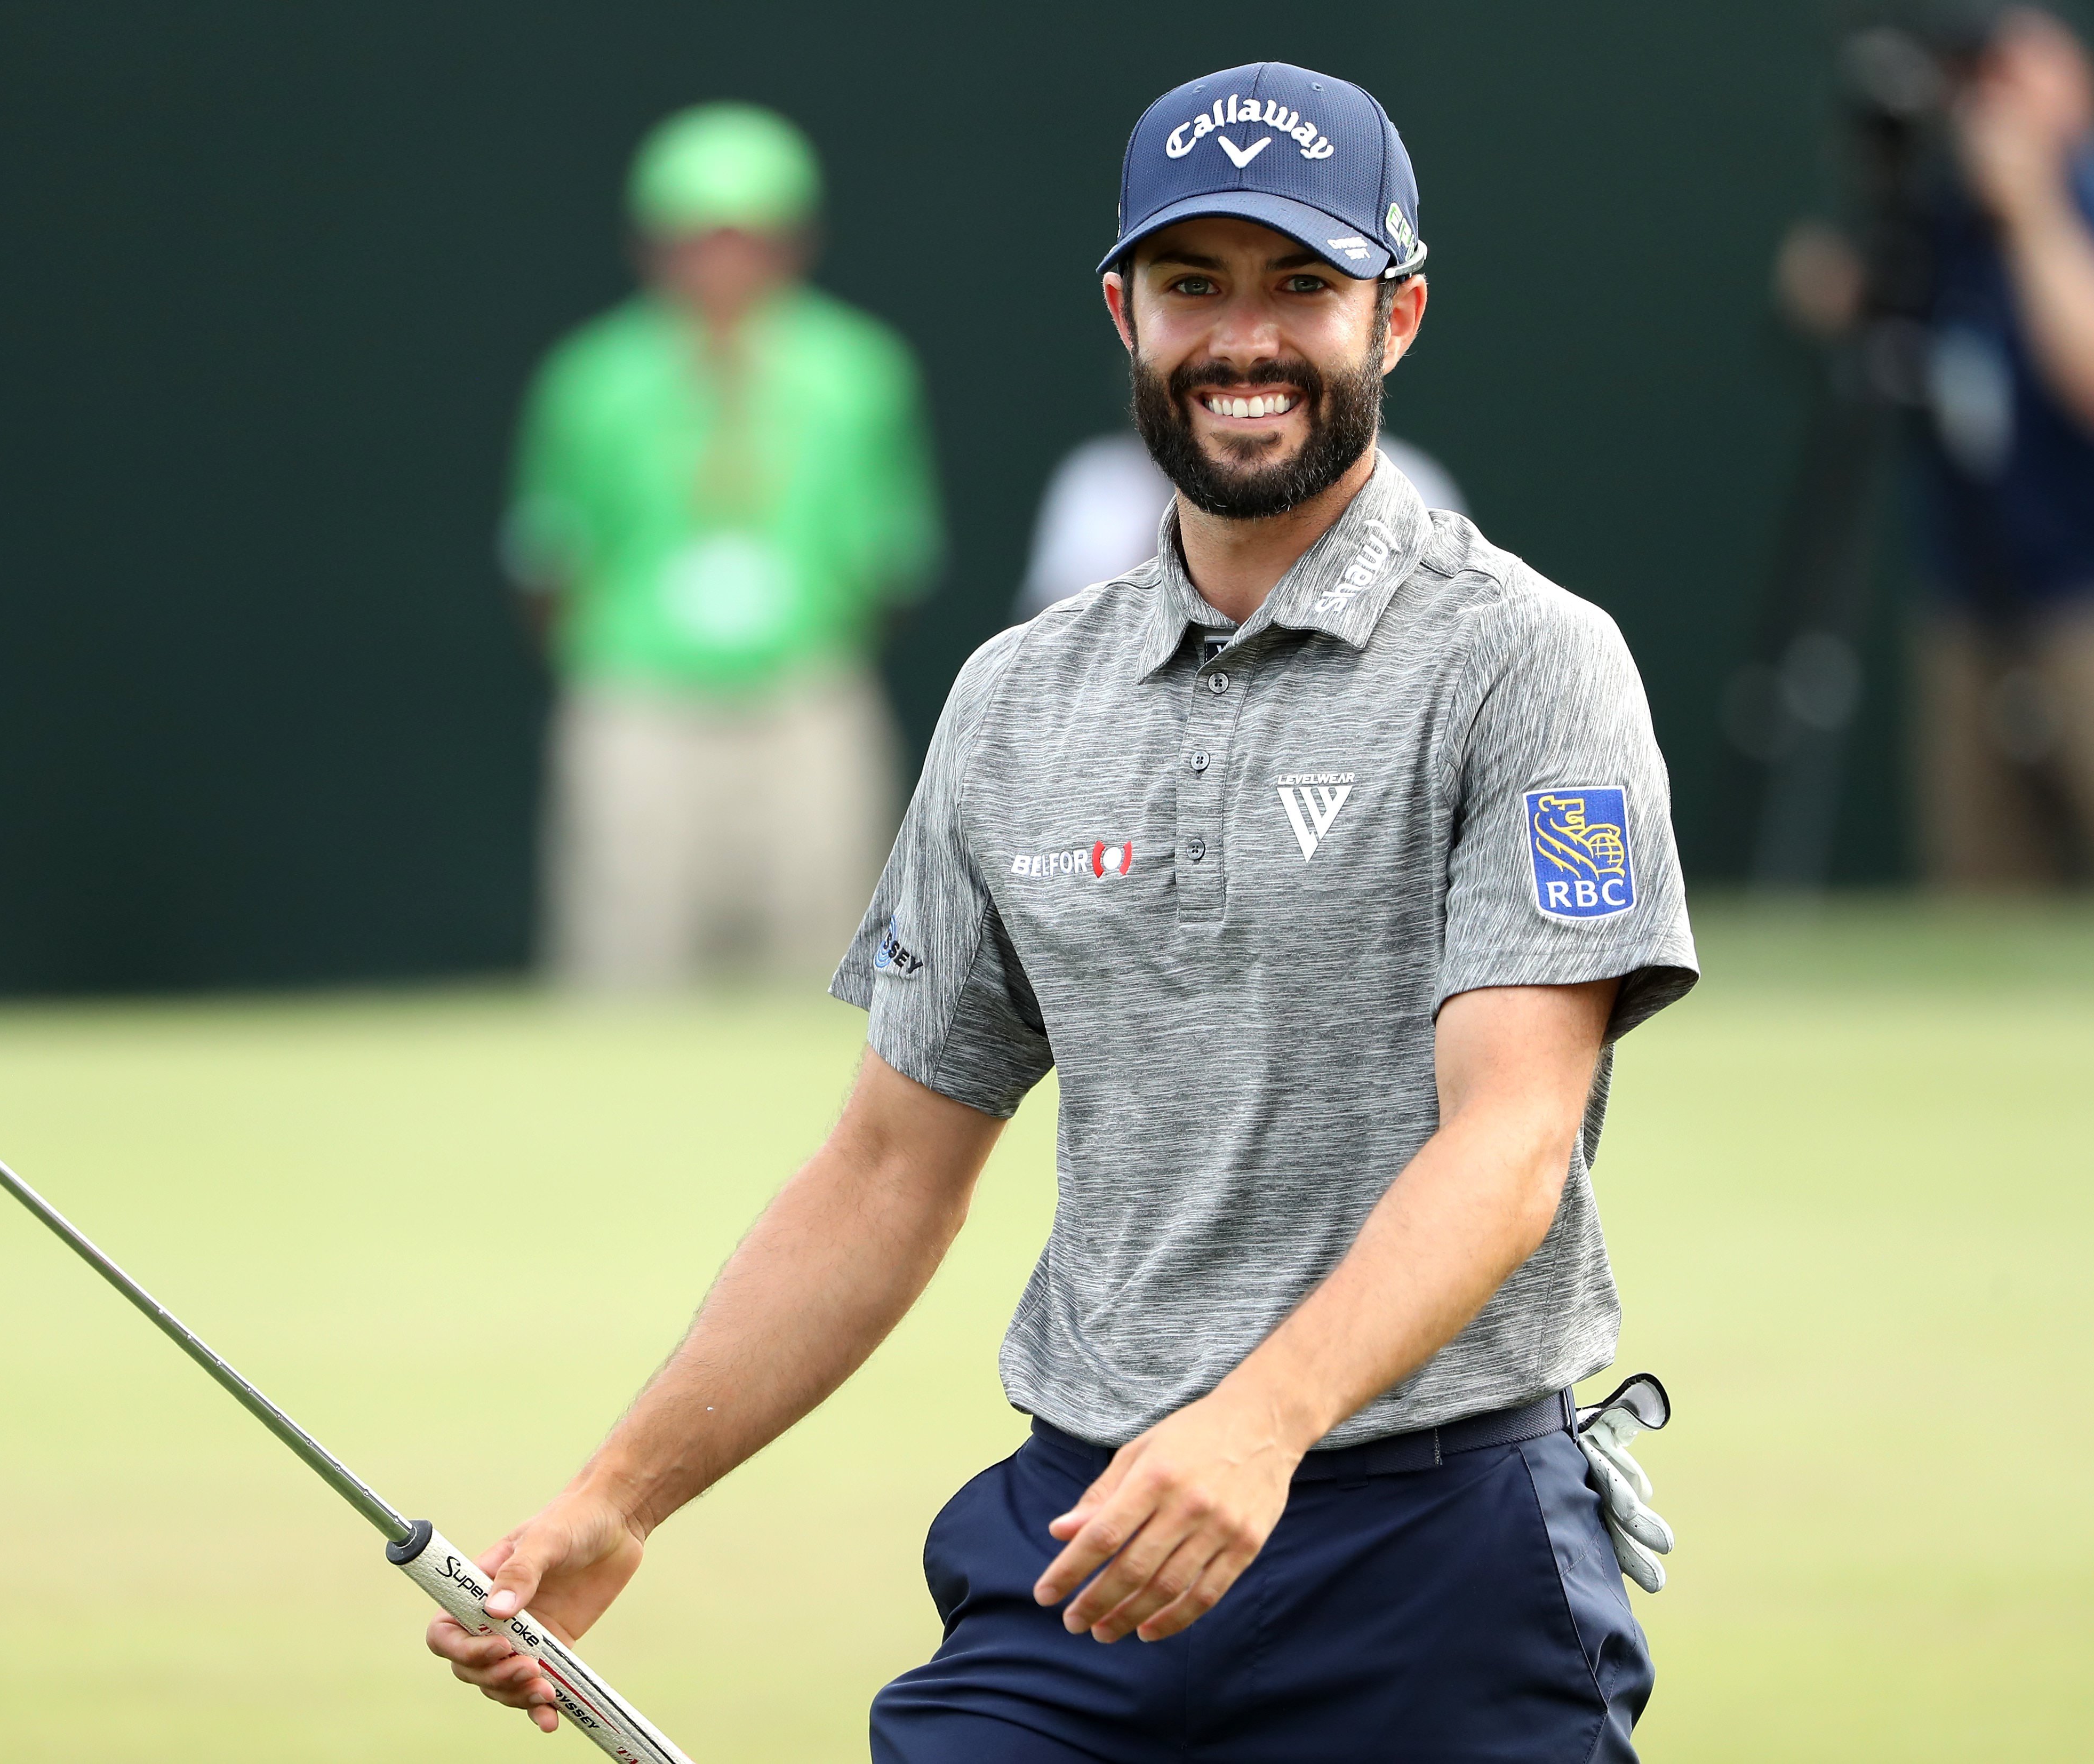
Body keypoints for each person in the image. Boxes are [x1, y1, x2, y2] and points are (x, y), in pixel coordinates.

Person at [436, 61, 1695, 1762]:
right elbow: (889, 1165)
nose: (1242, 340)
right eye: (1195, 286)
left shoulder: (1531, 664)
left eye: (1302, 286)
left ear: (1396, 316)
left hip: (1435, 1554)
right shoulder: (1016, 699)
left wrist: (1256, 1429)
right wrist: (619, 1497)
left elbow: (1511, 1144)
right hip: (1085, 1548)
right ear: (1125, 309)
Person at [504, 103, 943, 987]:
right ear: (653, 245)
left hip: (805, 698)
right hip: (638, 703)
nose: (723, 262)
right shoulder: (588, 380)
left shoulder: (861, 372)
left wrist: (813, 650)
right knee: (627, 956)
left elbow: (895, 562)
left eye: (749, 237)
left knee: (824, 966)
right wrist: (618, 660)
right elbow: (548, 561)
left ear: (795, 242)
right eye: (697, 237)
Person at [1781, 7, 2094, 885]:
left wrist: (2032, 207)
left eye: (2007, 72)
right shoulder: (1944, 220)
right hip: (1972, 604)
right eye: (1970, 77)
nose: (1984, 102)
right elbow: (1851, 306)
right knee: (1983, 890)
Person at [1015, 428, 1468, 620]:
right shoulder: (1099, 482)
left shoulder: (1412, 482)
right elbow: (1063, 633)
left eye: (1303, 287)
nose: (1243, 351)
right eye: (1193, 290)